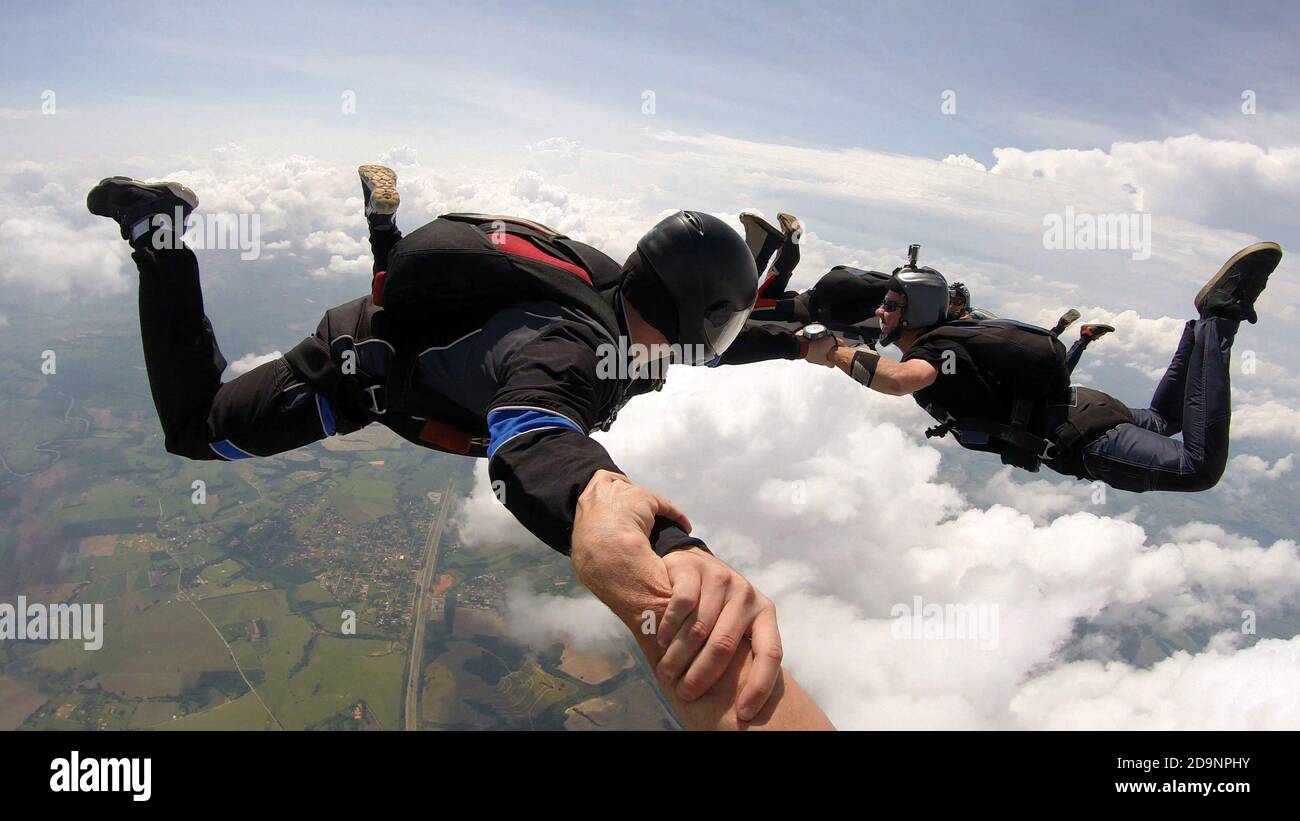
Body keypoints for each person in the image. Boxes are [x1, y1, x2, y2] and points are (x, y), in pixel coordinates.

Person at [86, 169, 832, 729]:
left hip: (412, 360)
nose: (708, 352)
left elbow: (705, 351)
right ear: (693, 317)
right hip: (347, 371)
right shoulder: (570, 350)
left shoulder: (619, 303)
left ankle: (375, 227)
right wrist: (661, 538)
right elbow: (531, 436)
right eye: (717, 331)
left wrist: (806, 347)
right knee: (197, 429)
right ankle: (159, 234)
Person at [803, 242, 1284, 493]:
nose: (881, 313)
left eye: (890, 305)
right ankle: (1200, 326)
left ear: (914, 313)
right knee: (1165, 421)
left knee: (1198, 470)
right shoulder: (963, 330)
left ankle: (1219, 320)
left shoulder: (933, 353)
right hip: (1083, 404)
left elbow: (896, 380)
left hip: (1080, 435)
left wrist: (832, 352)